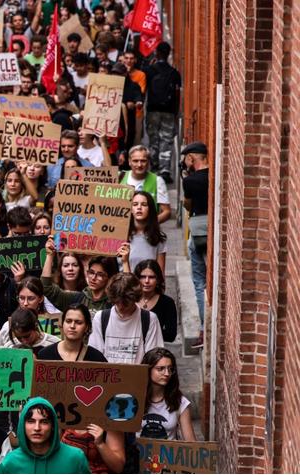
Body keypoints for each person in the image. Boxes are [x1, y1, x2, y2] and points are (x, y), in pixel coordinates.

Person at [0, 398, 91, 474]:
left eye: (44, 422)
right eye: (31, 421)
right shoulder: (10, 462)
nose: (37, 428)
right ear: (23, 425)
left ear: (52, 426)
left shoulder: (75, 458)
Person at [89, 272, 165, 364]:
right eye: (117, 302)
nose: (121, 306)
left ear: (135, 299)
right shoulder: (101, 318)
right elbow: (94, 357)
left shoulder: (149, 319)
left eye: (126, 303)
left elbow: (154, 358)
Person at [181, 141, 209, 338]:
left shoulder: (190, 181)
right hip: (211, 226)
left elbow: (188, 206)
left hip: (199, 230)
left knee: (199, 281)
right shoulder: (213, 175)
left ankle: (204, 328)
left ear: (191, 158)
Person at [140, 348, 197, 441]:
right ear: (148, 369)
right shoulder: (134, 399)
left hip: (168, 450)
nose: (167, 373)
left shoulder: (180, 402)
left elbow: (191, 443)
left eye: (170, 369)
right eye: (160, 369)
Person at [142, 42, 182, 173]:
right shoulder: (174, 73)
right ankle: (165, 168)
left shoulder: (149, 71)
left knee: (153, 138)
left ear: (157, 53)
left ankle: (154, 164)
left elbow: (144, 90)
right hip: (169, 111)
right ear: (168, 54)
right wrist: (176, 112)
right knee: (166, 139)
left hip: (152, 109)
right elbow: (177, 94)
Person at [38, 304, 108, 362]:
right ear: (62, 324)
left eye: (78, 322)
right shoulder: (45, 355)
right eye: (68, 321)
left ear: (87, 327)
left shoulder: (96, 358)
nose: (72, 326)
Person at [121, 146, 172, 224]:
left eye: (143, 161)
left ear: (148, 162)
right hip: (122, 229)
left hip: (148, 231)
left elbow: (167, 212)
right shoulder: (120, 177)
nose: (139, 165)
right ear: (129, 162)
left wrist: (149, 225)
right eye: (135, 161)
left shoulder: (157, 181)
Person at [134, 260, 178, 343]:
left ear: (158, 280)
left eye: (151, 277)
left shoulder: (167, 303)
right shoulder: (130, 300)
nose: (147, 281)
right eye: (143, 277)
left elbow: (171, 335)